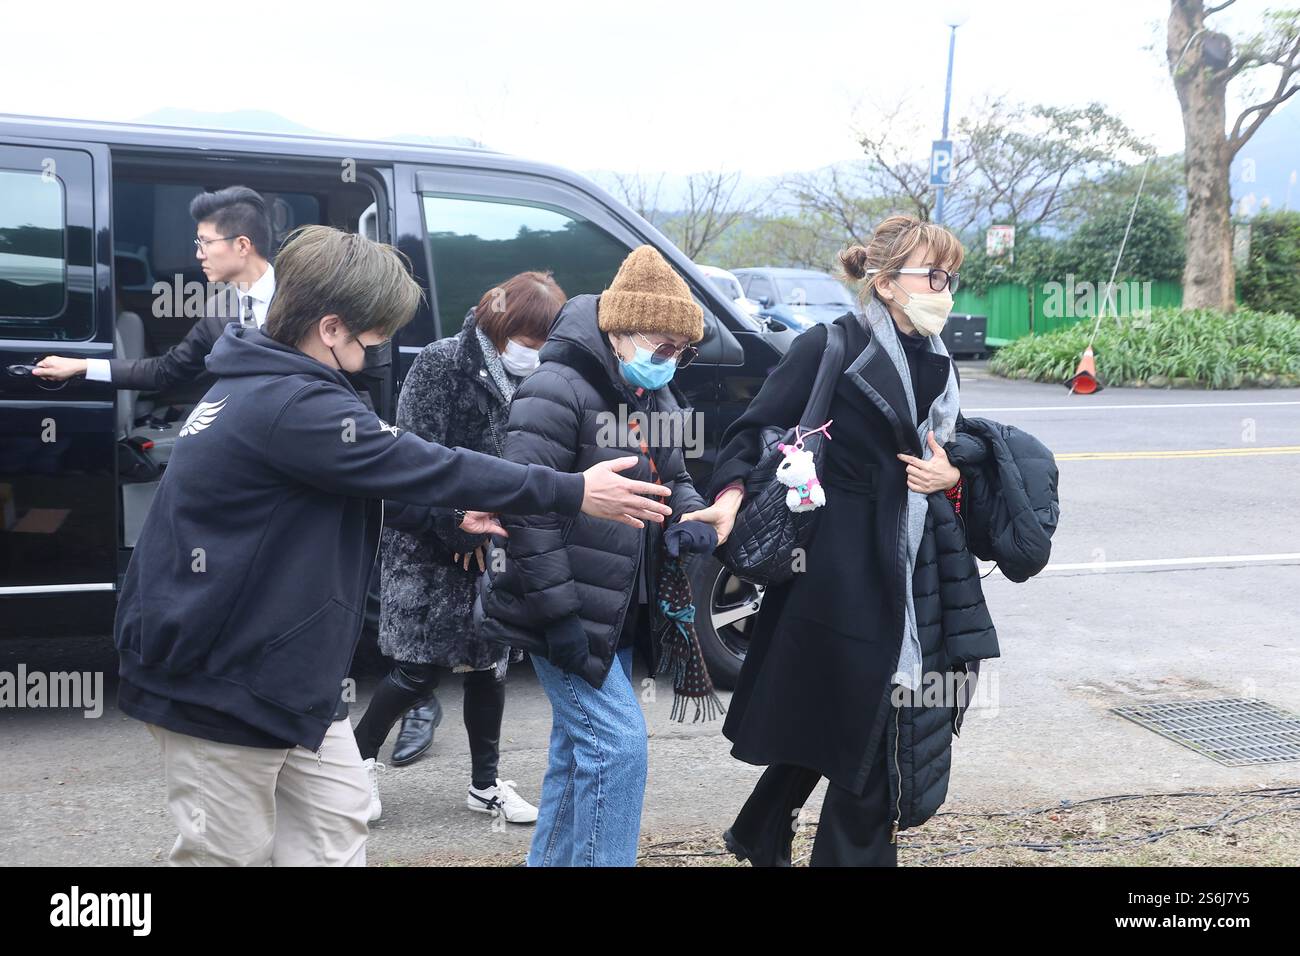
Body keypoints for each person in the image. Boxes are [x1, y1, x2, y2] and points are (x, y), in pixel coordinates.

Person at [114, 225, 674, 866]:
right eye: (375, 334)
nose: (382, 348)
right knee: (226, 854)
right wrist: (571, 490)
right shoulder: (289, 402)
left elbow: (367, 479)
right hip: (218, 680)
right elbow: (423, 461)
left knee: (335, 830)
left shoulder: (272, 383)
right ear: (331, 328)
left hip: (290, 681)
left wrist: (453, 514)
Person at [704, 215, 1001, 866]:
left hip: (915, 560)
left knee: (851, 717)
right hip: (836, 565)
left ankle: (760, 828)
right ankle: (783, 835)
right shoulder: (829, 345)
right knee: (873, 730)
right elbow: (753, 431)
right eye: (932, 274)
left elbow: (948, 447)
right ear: (887, 283)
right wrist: (728, 498)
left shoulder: (938, 358)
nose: (944, 288)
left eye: (950, 276)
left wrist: (951, 470)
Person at [475, 245, 729, 866]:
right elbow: (523, 510)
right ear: (617, 330)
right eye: (659, 345)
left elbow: (676, 480)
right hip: (555, 605)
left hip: (610, 607)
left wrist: (692, 521)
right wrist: (560, 618)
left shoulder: (654, 399)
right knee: (618, 748)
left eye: (679, 350)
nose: (668, 361)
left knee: (577, 752)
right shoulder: (554, 388)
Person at [352, 271, 567, 823]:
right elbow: (409, 462)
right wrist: (453, 523)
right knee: (417, 669)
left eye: (546, 341)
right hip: (427, 538)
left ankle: (485, 785)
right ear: (502, 324)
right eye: (531, 339)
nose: (537, 352)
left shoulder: (540, 377)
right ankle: (356, 767)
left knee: (490, 665)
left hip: (495, 540)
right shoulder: (441, 363)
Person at [34, 185, 276, 387]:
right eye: (198, 242)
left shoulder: (302, 294)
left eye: (206, 243)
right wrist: (82, 366)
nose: (199, 254)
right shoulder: (218, 309)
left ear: (243, 246)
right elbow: (166, 370)